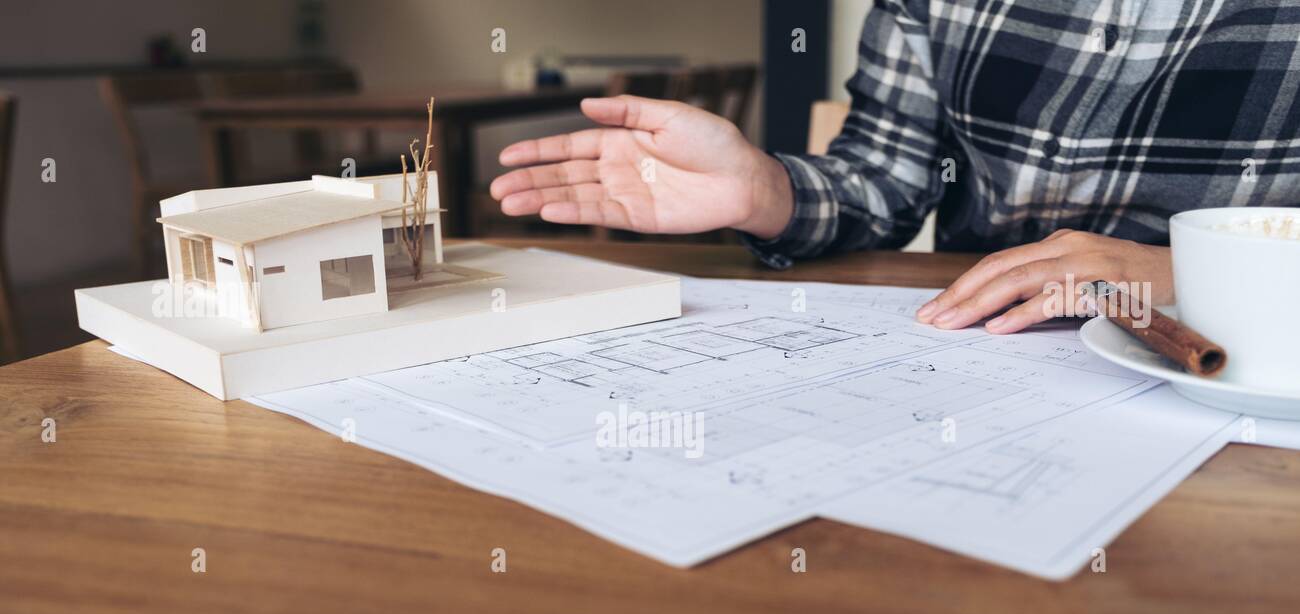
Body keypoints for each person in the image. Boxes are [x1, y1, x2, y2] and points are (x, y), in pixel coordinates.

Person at [490, 0, 1300, 333]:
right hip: (983, 351)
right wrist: (767, 190)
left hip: (1244, 352)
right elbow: (883, 177)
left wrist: (1187, 271)